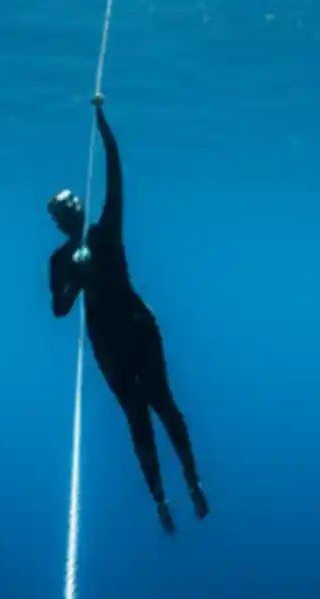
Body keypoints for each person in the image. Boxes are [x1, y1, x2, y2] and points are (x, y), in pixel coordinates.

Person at [47, 94, 209, 535]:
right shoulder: (60, 261)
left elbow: (116, 172)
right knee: (138, 418)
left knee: (164, 406)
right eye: (64, 213)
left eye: (72, 207)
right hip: (109, 344)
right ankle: (161, 496)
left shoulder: (106, 230)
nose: (71, 215)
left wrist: (103, 124)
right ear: (60, 222)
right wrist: (75, 279)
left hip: (137, 331)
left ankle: (192, 480)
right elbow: (60, 310)